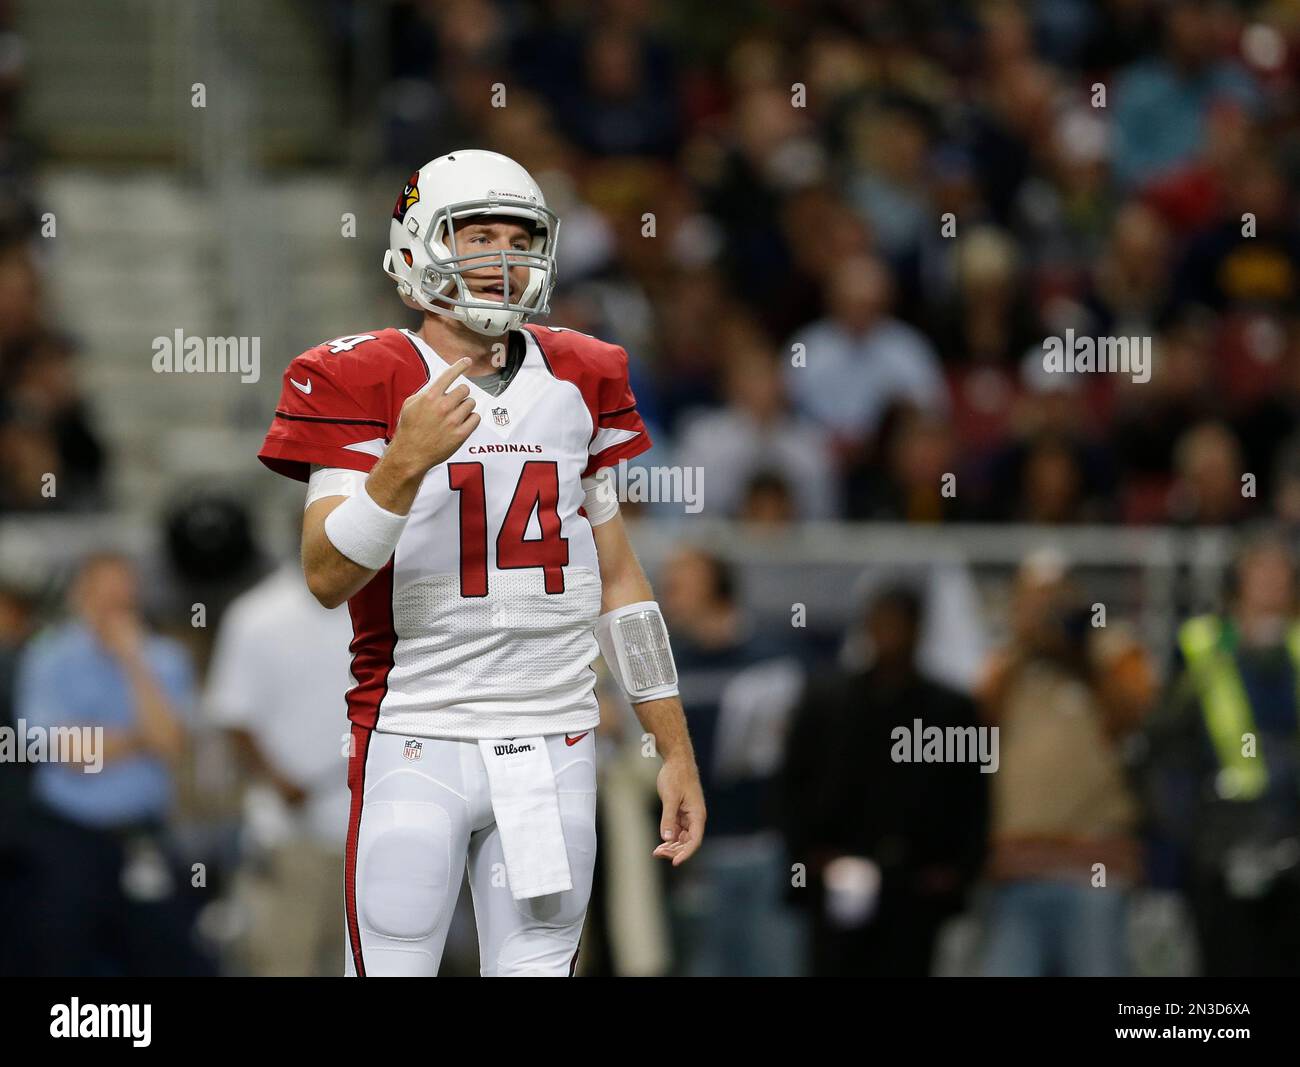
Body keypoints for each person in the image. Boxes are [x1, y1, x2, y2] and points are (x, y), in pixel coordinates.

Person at [257, 149, 705, 977]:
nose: (504, 258)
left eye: (520, 237)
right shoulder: (361, 375)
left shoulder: (583, 372)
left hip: (553, 738)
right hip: (415, 733)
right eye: (477, 235)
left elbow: (618, 580)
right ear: (417, 247)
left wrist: (670, 744)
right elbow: (325, 574)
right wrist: (404, 461)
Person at [15, 552, 211, 976]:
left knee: (165, 950)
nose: (113, 609)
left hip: (143, 833)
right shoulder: (49, 656)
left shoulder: (164, 658)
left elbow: (172, 743)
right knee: (59, 951)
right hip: (68, 833)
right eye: (103, 597)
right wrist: (139, 738)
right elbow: (68, 753)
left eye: (122, 598)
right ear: (80, 597)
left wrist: (132, 662)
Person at [782, 585, 988, 976]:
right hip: (836, 878)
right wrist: (811, 858)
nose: (889, 634)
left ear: (918, 630)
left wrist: (956, 871)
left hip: (916, 888)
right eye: (881, 623)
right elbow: (792, 788)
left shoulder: (952, 708)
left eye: (899, 624)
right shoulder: (826, 702)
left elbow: (972, 796)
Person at [1139, 529, 1300, 975]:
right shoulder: (1204, 645)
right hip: (1222, 841)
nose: (1271, 582)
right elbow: (1166, 749)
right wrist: (1191, 835)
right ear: (1237, 581)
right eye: (1260, 570)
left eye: (1280, 572)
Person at [205, 537, 354, 977]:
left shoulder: (381, 603)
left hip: (372, 832)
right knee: (286, 961)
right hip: (291, 836)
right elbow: (232, 715)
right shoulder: (257, 614)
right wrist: (278, 779)